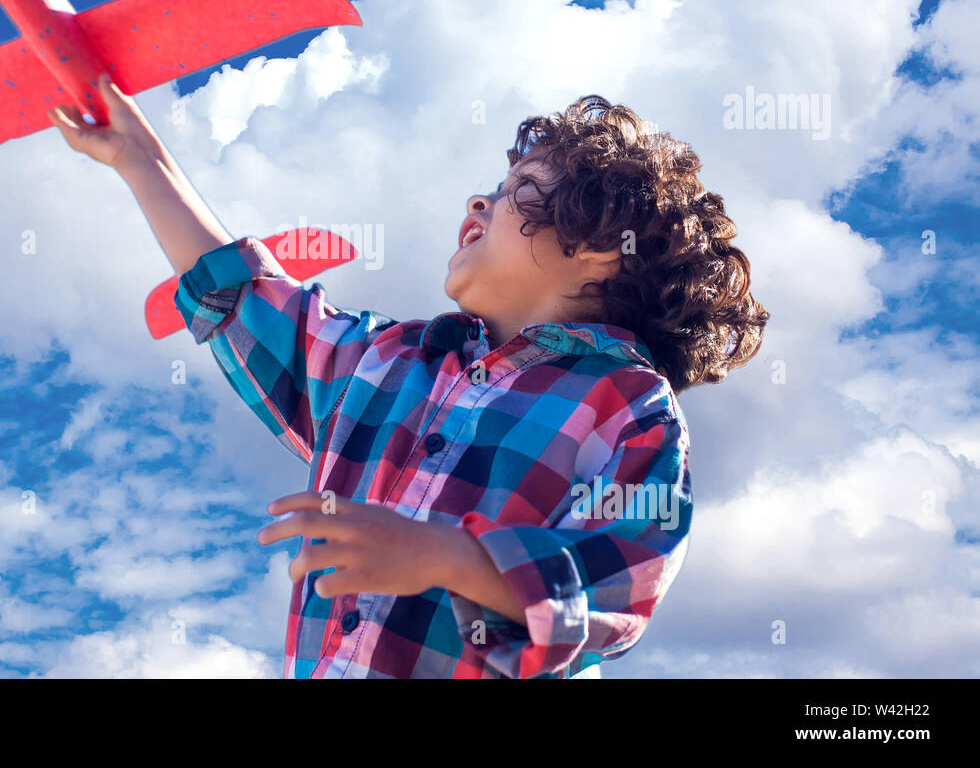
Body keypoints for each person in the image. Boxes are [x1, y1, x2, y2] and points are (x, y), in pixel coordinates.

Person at [49, 74, 768, 678]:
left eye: (519, 188)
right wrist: (140, 160)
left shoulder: (625, 403)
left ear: (604, 248)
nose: (477, 204)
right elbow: (245, 300)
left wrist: (448, 555)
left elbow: (622, 571)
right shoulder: (385, 360)